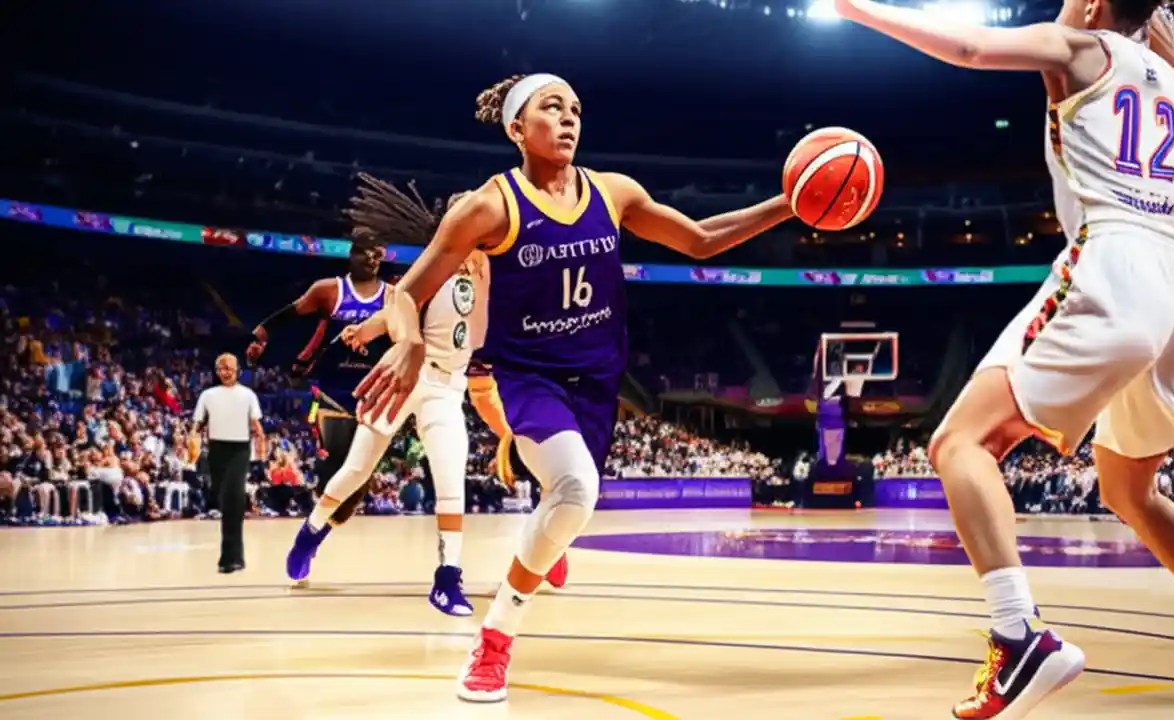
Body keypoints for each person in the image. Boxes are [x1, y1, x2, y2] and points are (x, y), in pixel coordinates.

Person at [833, 1, 1174, 717]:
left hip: (1113, 265)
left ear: (1097, 4)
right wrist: (1171, 46)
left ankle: (1018, 639)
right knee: (1130, 491)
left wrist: (859, 7)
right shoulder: (1167, 76)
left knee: (960, 443)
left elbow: (972, 49)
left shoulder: (1076, 46)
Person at [354, 73, 794, 702]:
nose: (568, 119)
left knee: (566, 503)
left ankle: (547, 532)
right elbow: (405, 293)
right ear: (516, 128)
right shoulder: (487, 207)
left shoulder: (612, 193)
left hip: (596, 381)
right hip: (526, 377)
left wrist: (788, 203)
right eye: (551, 107)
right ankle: (495, 639)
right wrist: (411, 342)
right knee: (576, 489)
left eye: (576, 109)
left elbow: (698, 240)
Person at [286, 184, 484, 617]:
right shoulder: (435, 263)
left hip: (449, 388)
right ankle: (312, 531)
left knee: (452, 483)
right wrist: (367, 331)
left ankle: (448, 577)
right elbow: (397, 306)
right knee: (356, 469)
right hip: (403, 377)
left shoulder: (489, 267)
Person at [246, 231, 394, 529]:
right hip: (333, 389)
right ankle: (322, 517)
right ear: (351, 255)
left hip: (375, 389)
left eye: (377, 254)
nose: (371, 259)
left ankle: (337, 515)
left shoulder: (393, 295)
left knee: (362, 466)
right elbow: (290, 313)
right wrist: (260, 335)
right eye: (365, 252)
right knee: (336, 459)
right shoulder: (329, 290)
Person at [192, 353, 265, 573]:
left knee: (234, 499)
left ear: (237, 370)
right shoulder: (207, 395)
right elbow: (197, 426)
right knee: (224, 501)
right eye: (221, 368)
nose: (225, 372)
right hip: (216, 449)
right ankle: (231, 556)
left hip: (239, 450)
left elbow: (257, 426)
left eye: (229, 368)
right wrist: (191, 448)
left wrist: (261, 453)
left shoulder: (248, 395)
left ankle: (231, 558)